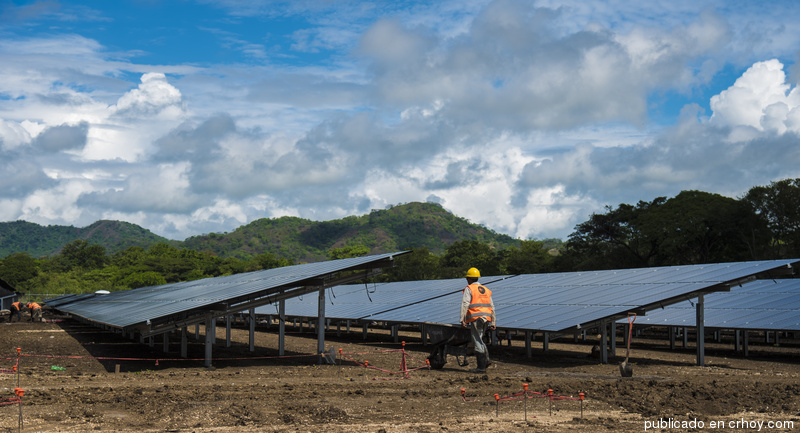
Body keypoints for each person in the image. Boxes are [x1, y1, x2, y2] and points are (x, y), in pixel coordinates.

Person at [460, 267, 496, 373]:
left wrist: (462, 319)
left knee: (477, 341)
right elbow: (492, 307)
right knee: (480, 339)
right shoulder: (485, 289)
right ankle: (486, 360)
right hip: (487, 318)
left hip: (476, 319)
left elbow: (465, 304)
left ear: (469, 279)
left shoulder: (469, 288)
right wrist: (493, 322)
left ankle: (481, 367)